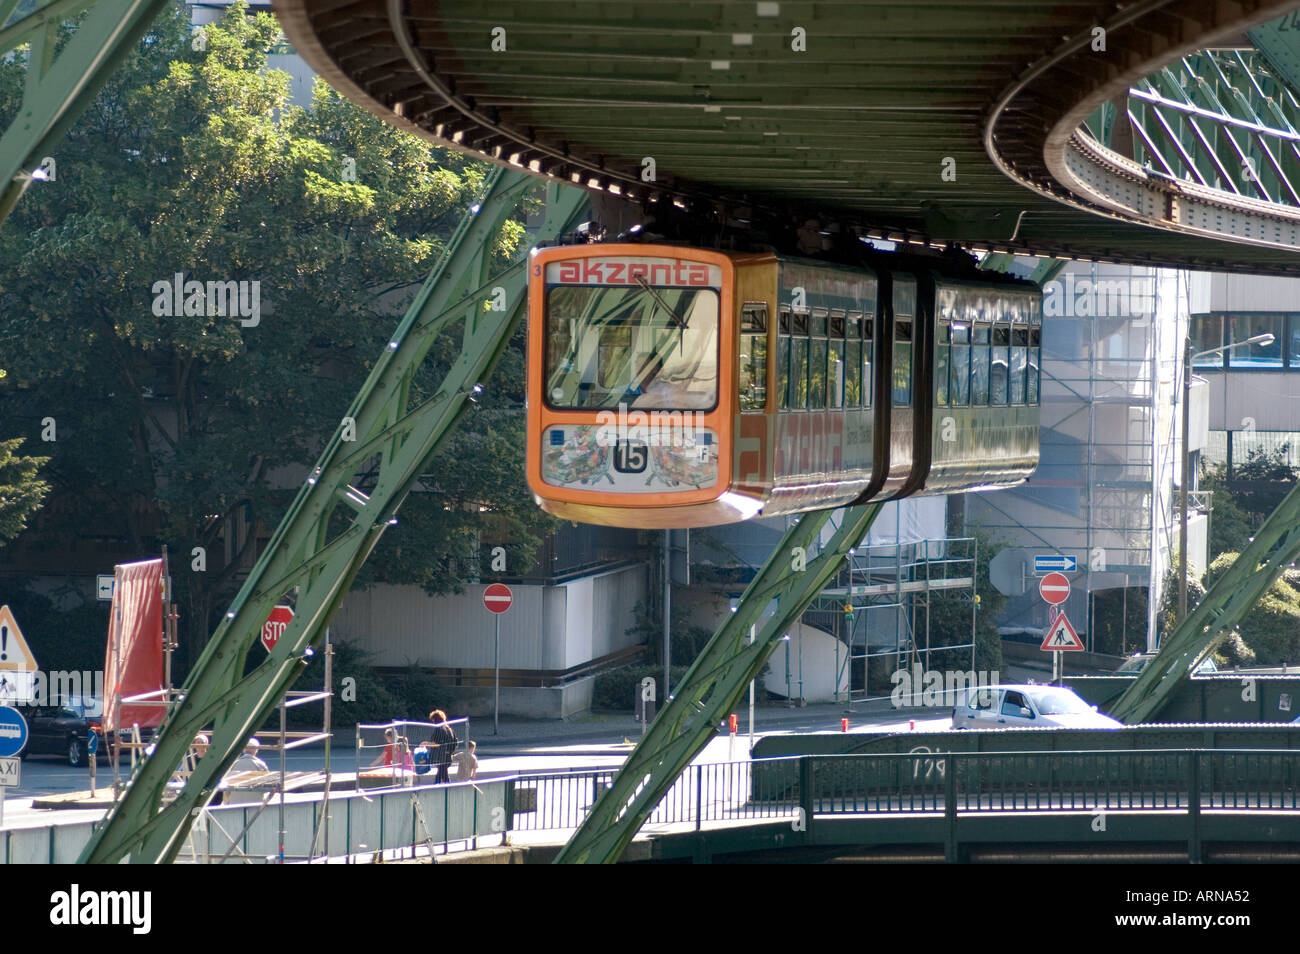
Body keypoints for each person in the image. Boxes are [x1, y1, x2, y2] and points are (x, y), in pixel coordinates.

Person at [424, 710, 458, 784]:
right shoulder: (449, 729)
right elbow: (455, 742)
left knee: (443, 775)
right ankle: (439, 787)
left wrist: (425, 743)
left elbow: (436, 743)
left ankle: (444, 789)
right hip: (448, 756)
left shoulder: (439, 729)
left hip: (441, 757)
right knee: (442, 774)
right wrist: (449, 751)